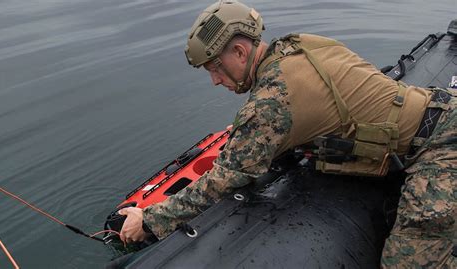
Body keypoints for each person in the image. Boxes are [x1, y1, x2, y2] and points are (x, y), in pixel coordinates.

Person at [118, 1, 456, 267]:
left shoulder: (271, 102)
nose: (215, 81)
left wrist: (149, 219)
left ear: (239, 52)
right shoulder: (302, 45)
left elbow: (224, 179)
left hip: (443, 146)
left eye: (216, 69)